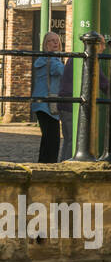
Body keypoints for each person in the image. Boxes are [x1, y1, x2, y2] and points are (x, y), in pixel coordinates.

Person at [31, 31, 63, 163]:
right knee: (53, 139)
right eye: (51, 40)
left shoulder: (44, 59)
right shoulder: (52, 60)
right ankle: (49, 165)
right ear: (45, 44)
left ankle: (43, 163)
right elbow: (66, 72)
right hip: (47, 103)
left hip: (41, 102)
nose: (55, 42)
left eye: (57, 40)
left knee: (48, 137)